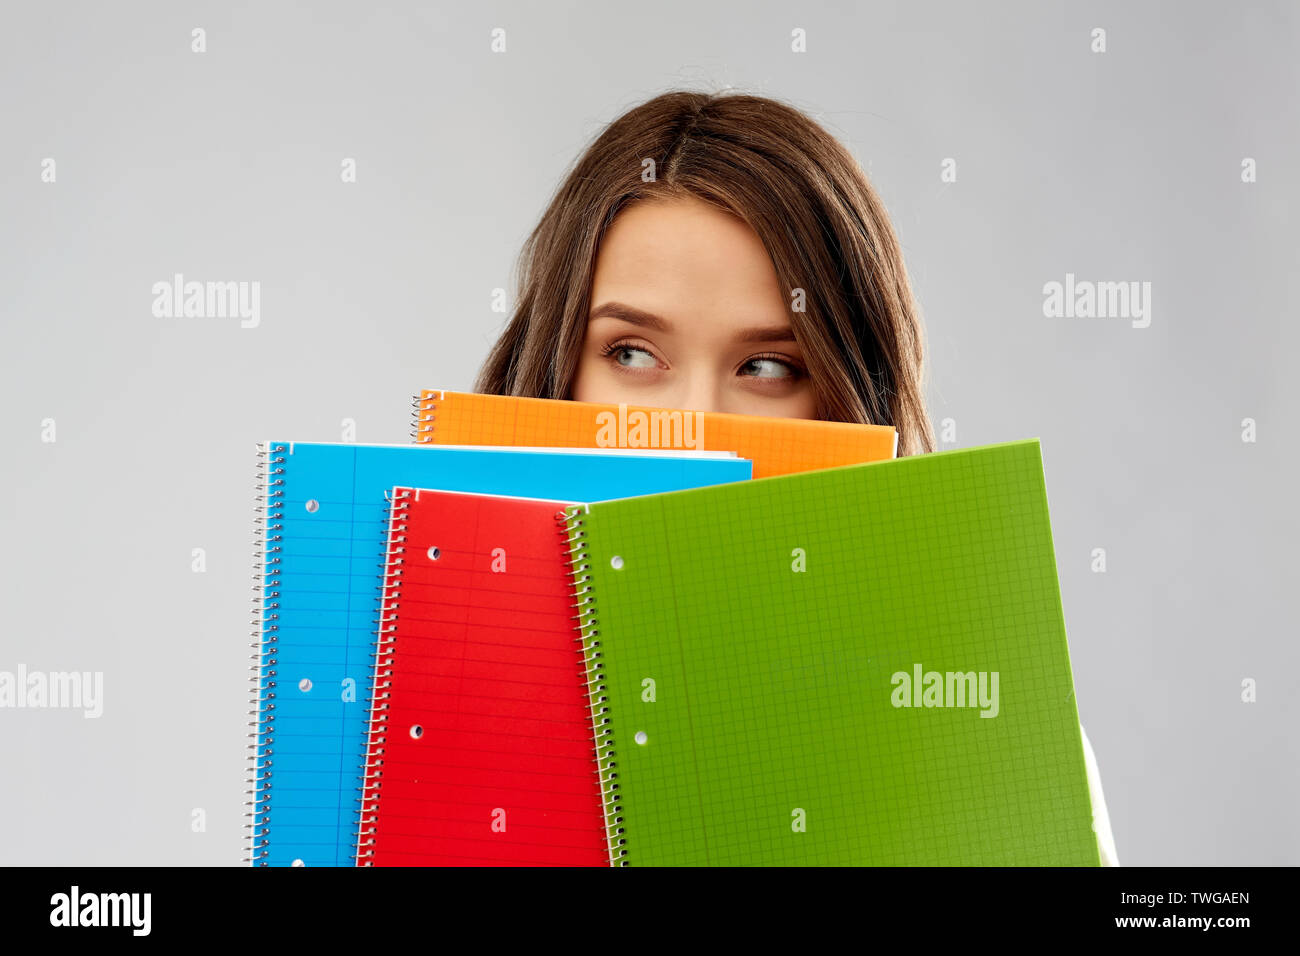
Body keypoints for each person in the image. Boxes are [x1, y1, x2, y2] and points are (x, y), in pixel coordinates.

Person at [474, 89, 1119, 866]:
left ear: (844, 402)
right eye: (632, 354)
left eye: (769, 367)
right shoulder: (402, 692)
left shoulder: (983, 718)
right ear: (555, 370)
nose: (693, 432)